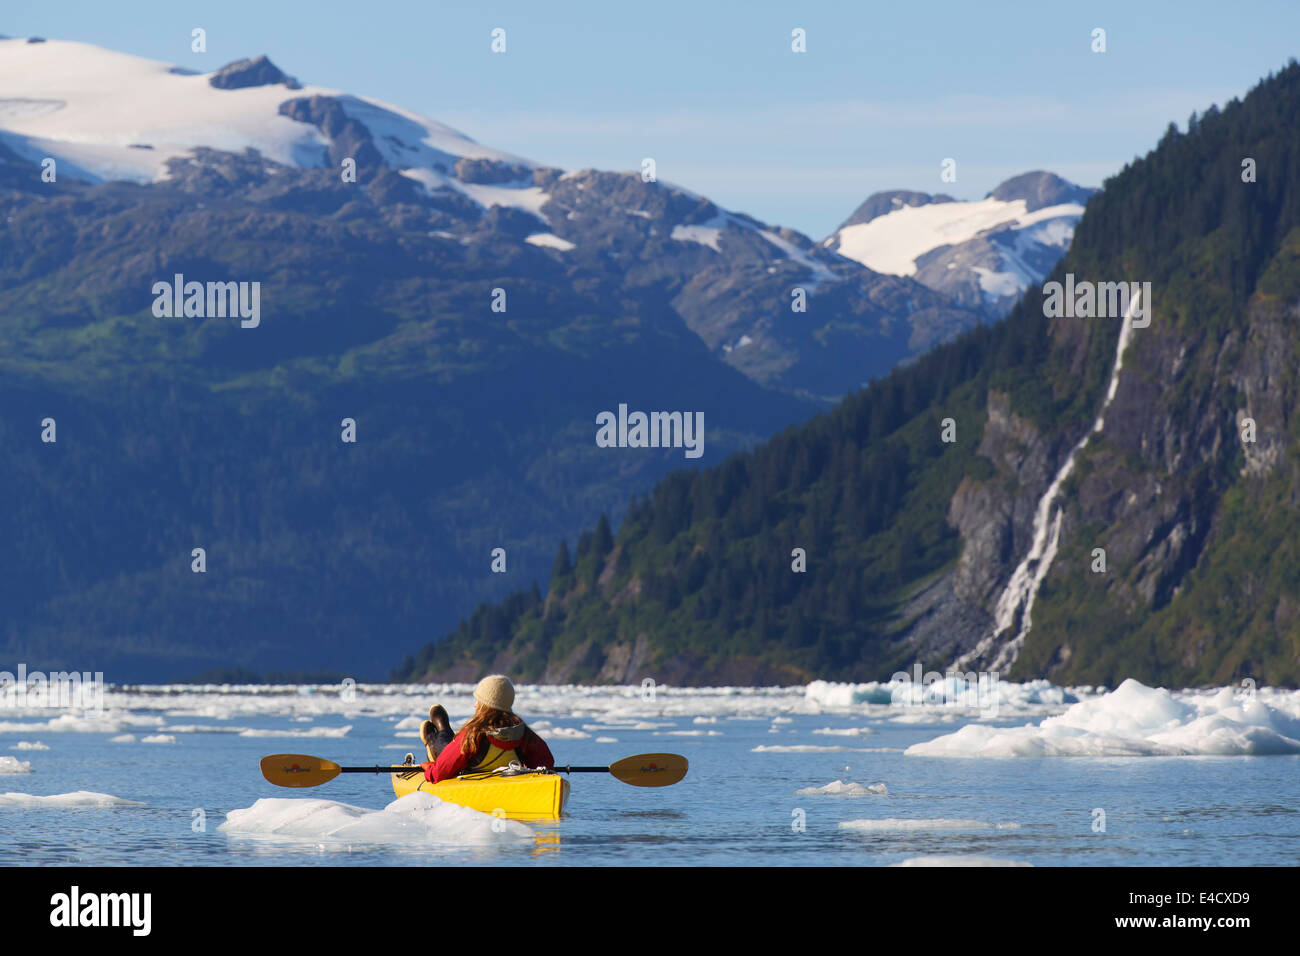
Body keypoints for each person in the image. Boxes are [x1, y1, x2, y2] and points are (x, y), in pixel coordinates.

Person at [421, 675, 554, 784]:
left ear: (485, 705)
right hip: (498, 781)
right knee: (450, 746)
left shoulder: (472, 734)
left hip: (472, 777)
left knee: (447, 747)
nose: (475, 704)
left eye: (478, 700)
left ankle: (439, 735)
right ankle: (440, 733)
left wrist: (428, 769)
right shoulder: (525, 734)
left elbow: (438, 774)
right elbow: (546, 766)